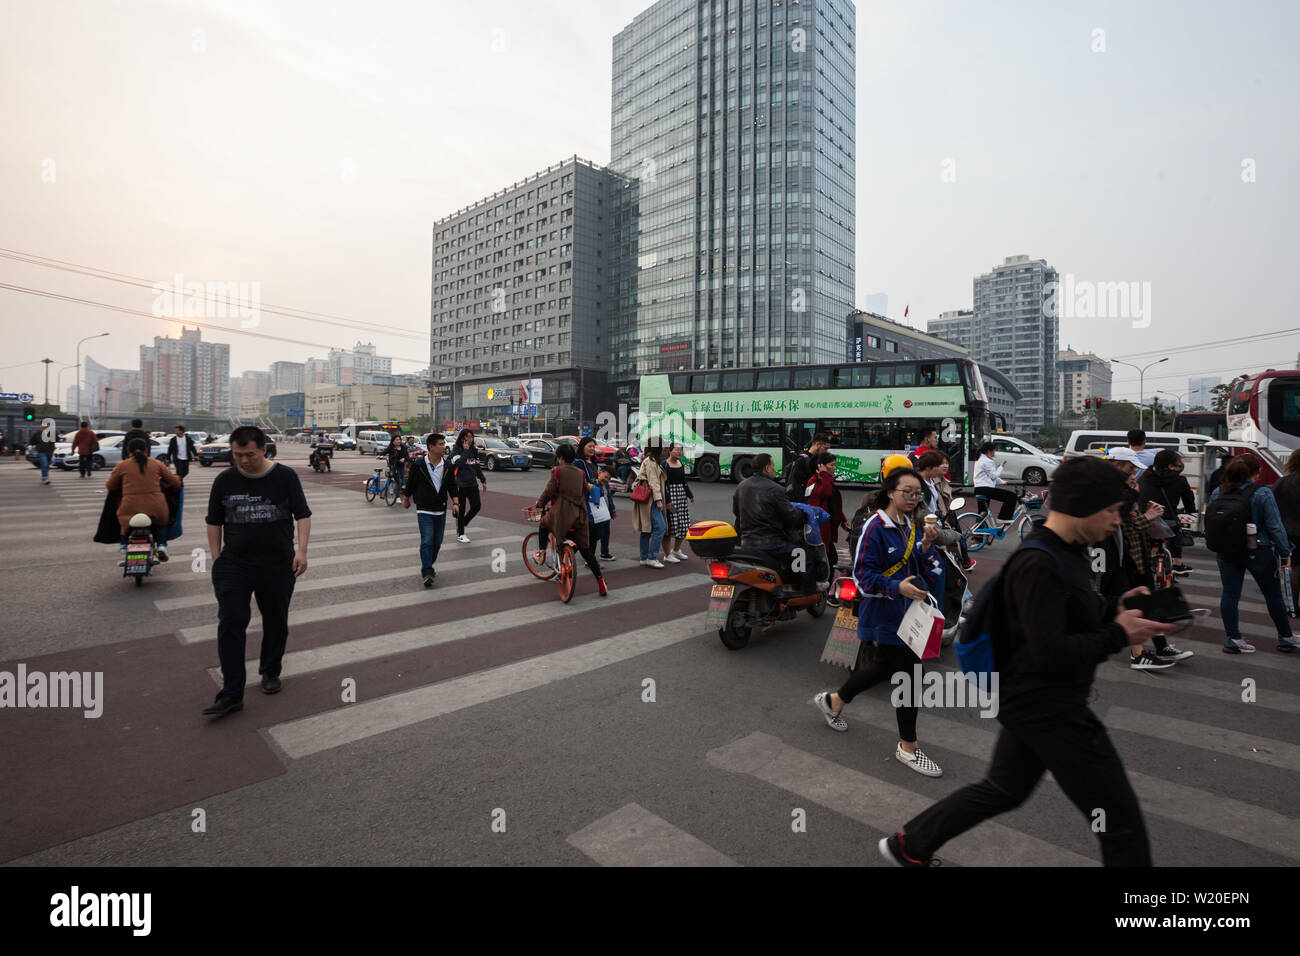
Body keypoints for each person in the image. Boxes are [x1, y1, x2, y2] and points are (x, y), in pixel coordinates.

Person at [877, 456, 1174, 867]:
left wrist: (1111, 610)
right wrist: (1119, 634)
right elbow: (1048, 651)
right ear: (1082, 508)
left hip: (1035, 702)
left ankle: (910, 846)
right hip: (1050, 708)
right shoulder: (1038, 563)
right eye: (1111, 511)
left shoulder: (1067, 551)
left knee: (1004, 789)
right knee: (1120, 821)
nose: (1117, 521)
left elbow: (1066, 615)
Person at [810, 466, 946, 777]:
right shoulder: (875, 527)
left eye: (917, 493)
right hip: (885, 614)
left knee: (885, 668)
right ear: (889, 493)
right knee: (909, 676)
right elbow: (862, 576)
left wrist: (926, 547)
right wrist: (896, 586)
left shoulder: (909, 526)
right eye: (906, 492)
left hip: (907, 613)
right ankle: (908, 747)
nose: (913, 498)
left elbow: (916, 565)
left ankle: (834, 700)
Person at [203, 425, 312, 717]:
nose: (243, 461)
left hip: (278, 565)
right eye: (237, 455)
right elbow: (214, 521)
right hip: (234, 565)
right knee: (231, 623)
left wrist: (301, 550)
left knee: (276, 620)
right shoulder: (224, 480)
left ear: (264, 449)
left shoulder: (285, 476)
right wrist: (216, 558)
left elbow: (302, 514)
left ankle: (270, 670)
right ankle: (232, 692)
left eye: (249, 454)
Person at [1209, 456, 1299, 653]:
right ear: (1255, 474)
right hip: (1258, 549)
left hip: (1226, 550)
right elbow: (1275, 526)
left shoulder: (1219, 491)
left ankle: (1233, 638)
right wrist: (1285, 552)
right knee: (1273, 594)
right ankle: (1285, 636)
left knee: (1230, 594)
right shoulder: (1262, 493)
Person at [1108, 458, 1187, 667]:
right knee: (1135, 603)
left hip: (1137, 555)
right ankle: (1138, 653)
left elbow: (1130, 521)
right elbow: (1121, 525)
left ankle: (1160, 646)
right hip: (1125, 558)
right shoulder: (1116, 495)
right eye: (1130, 472)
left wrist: (1146, 515)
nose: (1134, 476)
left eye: (1135, 472)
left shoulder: (1129, 493)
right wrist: (1149, 516)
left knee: (1149, 600)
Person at [534, 443, 607, 596]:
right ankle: (601, 581)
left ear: (560, 458)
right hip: (580, 515)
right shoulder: (580, 473)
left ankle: (541, 553)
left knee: (543, 523)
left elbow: (549, 491)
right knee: (587, 552)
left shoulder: (557, 471)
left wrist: (539, 503)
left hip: (562, 515)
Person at [733, 453, 814, 582]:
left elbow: (737, 514)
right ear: (766, 468)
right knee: (802, 554)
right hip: (771, 544)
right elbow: (792, 516)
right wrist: (803, 514)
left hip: (747, 542)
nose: (774, 470)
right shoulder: (776, 489)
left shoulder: (741, 486)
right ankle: (805, 590)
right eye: (773, 466)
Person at [106, 438, 181, 556]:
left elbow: (110, 485)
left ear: (127, 450)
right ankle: (161, 545)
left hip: (129, 507)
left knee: (125, 522)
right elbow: (175, 483)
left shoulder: (122, 465)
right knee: (162, 521)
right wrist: (177, 478)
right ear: (147, 450)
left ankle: (123, 544)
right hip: (156, 506)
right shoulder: (156, 464)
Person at [402, 433, 451, 588]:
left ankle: (428, 563)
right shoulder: (419, 464)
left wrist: (455, 502)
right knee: (427, 540)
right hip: (424, 509)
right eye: (441, 444)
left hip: (441, 509)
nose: (444, 446)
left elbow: (451, 485)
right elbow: (411, 482)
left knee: (437, 543)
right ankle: (427, 571)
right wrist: (406, 497)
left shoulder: (447, 464)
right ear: (431, 447)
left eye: (444, 444)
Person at [1138, 449, 1196, 576]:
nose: (1180, 466)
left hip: (1145, 520)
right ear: (1170, 466)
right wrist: (1190, 510)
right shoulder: (1180, 480)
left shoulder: (1144, 477)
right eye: (1178, 464)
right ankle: (1177, 564)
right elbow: (1189, 502)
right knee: (1175, 531)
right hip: (1168, 521)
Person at [807, 452, 850, 571]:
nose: (834, 468)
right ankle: (823, 584)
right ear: (822, 466)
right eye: (832, 465)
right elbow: (825, 492)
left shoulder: (827, 480)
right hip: (819, 528)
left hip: (828, 527)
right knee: (828, 560)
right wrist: (824, 474)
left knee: (831, 559)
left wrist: (843, 519)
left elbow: (833, 503)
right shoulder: (813, 480)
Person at [447, 429, 486, 544]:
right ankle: (461, 534)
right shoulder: (456, 450)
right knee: (461, 509)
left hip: (472, 484)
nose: (470, 439)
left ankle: (462, 523)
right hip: (460, 484)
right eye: (467, 437)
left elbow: (476, 466)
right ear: (462, 438)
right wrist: (465, 451)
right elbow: (459, 463)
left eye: (471, 437)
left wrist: (483, 480)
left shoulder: (474, 450)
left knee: (476, 506)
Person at [1273, 449, 1300, 614]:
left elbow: (1272, 509)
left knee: (1291, 568)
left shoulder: (1282, 483)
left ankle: (1292, 606)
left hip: (1287, 533)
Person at [633, 442, 668, 568]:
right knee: (660, 527)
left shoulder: (648, 459)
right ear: (658, 447)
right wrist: (659, 500)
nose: (664, 447)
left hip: (645, 497)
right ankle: (652, 557)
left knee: (647, 528)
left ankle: (644, 557)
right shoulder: (652, 462)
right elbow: (654, 482)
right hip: (651, 498)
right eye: (662, 445)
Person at [661, 442, 695, 563]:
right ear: (670, 451)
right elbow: (664, 484)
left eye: (681, 450)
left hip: (681, 497)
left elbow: (684, 481)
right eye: (676, 449)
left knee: (683, 523)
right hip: (671, 497)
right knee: (670, 524)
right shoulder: (665, 464)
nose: (679, 452)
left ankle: (676, 550)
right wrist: (668, 500)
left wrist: (690, 495)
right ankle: (667, 554)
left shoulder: (680, 463)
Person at [973, 442, 1017, 524]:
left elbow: (990, 477)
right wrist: (1001, 467)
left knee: (982, 514)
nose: (994, 453)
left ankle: (978, 535)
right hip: (986, 489)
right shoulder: (988, 461)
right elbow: (994, 476)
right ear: (989, 451)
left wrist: (1003, 482)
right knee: (1012, 497)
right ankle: (1003, 518)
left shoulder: (980, 459)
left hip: (979, 489)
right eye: (994, 451)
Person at [785, 432, 830, 501]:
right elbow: (796, 485)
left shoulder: (818, 459)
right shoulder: (801, 460)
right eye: (825, 448)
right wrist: (805, 503)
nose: (826, 451)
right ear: (817, 444)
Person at [590, 464, 618, 561]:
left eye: (609, 479)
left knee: (606, 533)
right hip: (597, 514)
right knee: (597, 534)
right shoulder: (594, 484)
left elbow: (609, 498)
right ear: (600, 472)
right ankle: (589, 555)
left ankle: (604, 553)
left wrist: (613, 510)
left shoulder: (606, 485)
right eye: (605, 477)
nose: (606, 480)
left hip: (606, 514)